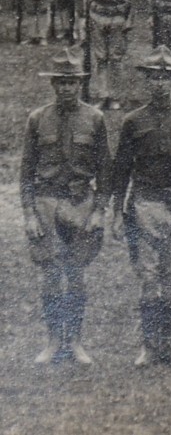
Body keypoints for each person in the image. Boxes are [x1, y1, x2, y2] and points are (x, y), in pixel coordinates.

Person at [21, 49, 110, 365]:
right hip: (46, 203)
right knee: (50, 275)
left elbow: (105, 171)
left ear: (80, 85)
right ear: (53, 85)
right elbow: (26, 173)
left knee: (75, 275)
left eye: (72, 83)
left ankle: (74, 340)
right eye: (61, 83)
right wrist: (30, 214)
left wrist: (99, 211)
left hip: (80, 204)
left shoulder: (95, 119)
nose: (66, 89)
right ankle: (52, 340)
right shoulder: (38, 119)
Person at [110, 46, 171, 366]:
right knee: (148, 278)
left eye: (166, 78)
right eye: (154, 78)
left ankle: (169, 347)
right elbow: (121, 170)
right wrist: (118, 212)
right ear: (146, 81)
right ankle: (148, 346)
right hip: (145, 205)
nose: (160, 84)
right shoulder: (133, 121)